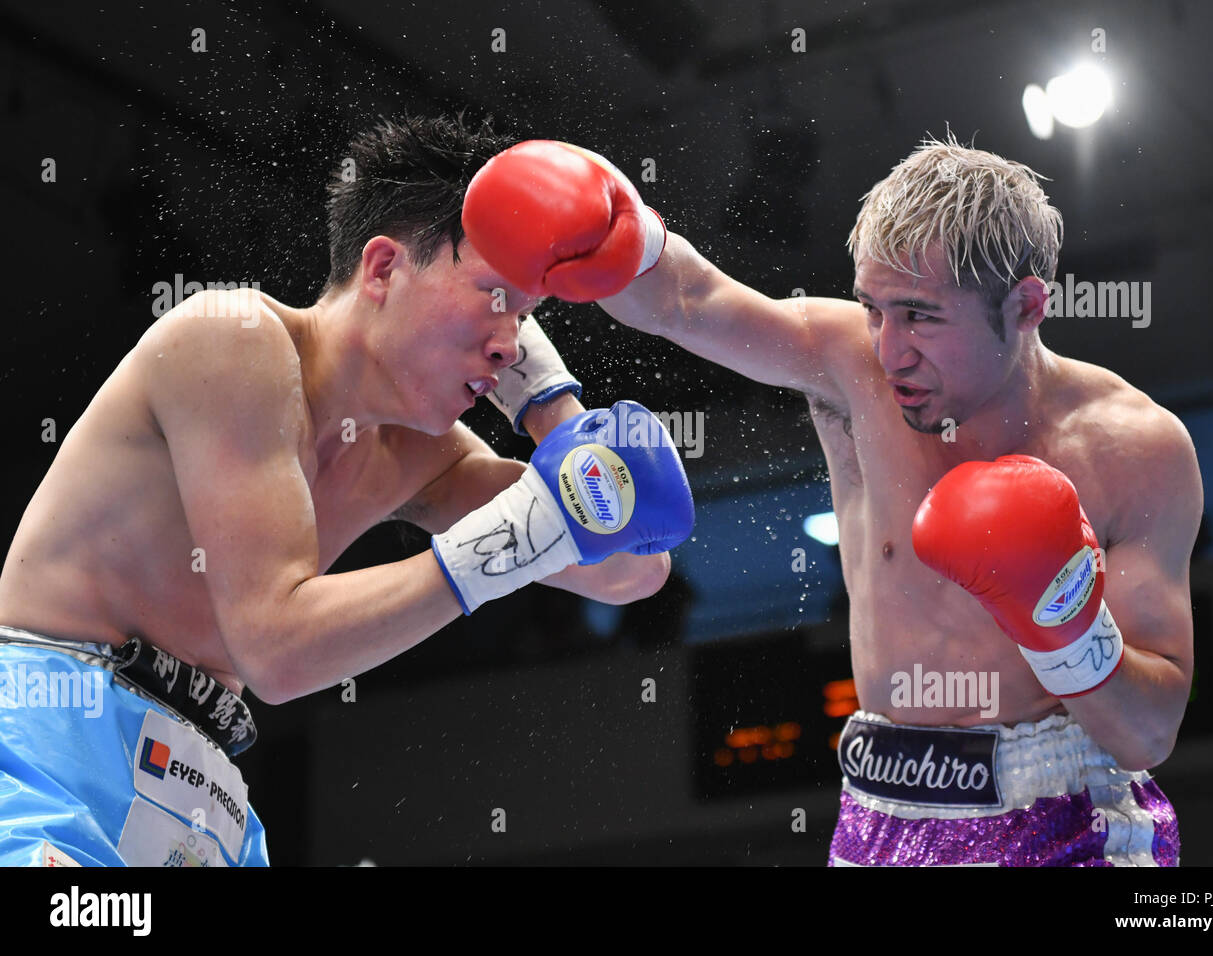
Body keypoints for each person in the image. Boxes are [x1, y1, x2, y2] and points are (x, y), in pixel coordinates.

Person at [462, 134, 1202, 866]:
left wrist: (1066, 627)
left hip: (1066, 819)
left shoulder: (1133, 450)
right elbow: (686, 299)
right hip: (877, 811)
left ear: (1026, 305)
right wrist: (608, 227)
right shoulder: (847, 362)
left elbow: (1148, 733)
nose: (889, 350)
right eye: (873, 309)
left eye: (921, 315)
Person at [0, 114, 694, 867]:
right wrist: (513, 538)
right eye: (494, 296)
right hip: (49, 728)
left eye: (525, 321)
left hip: (200, 786)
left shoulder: (420, 457)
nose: (508, 343)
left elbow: (631, 567)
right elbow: (278, 650)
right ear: (383, 267)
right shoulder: (228, 338)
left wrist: (551, 404)